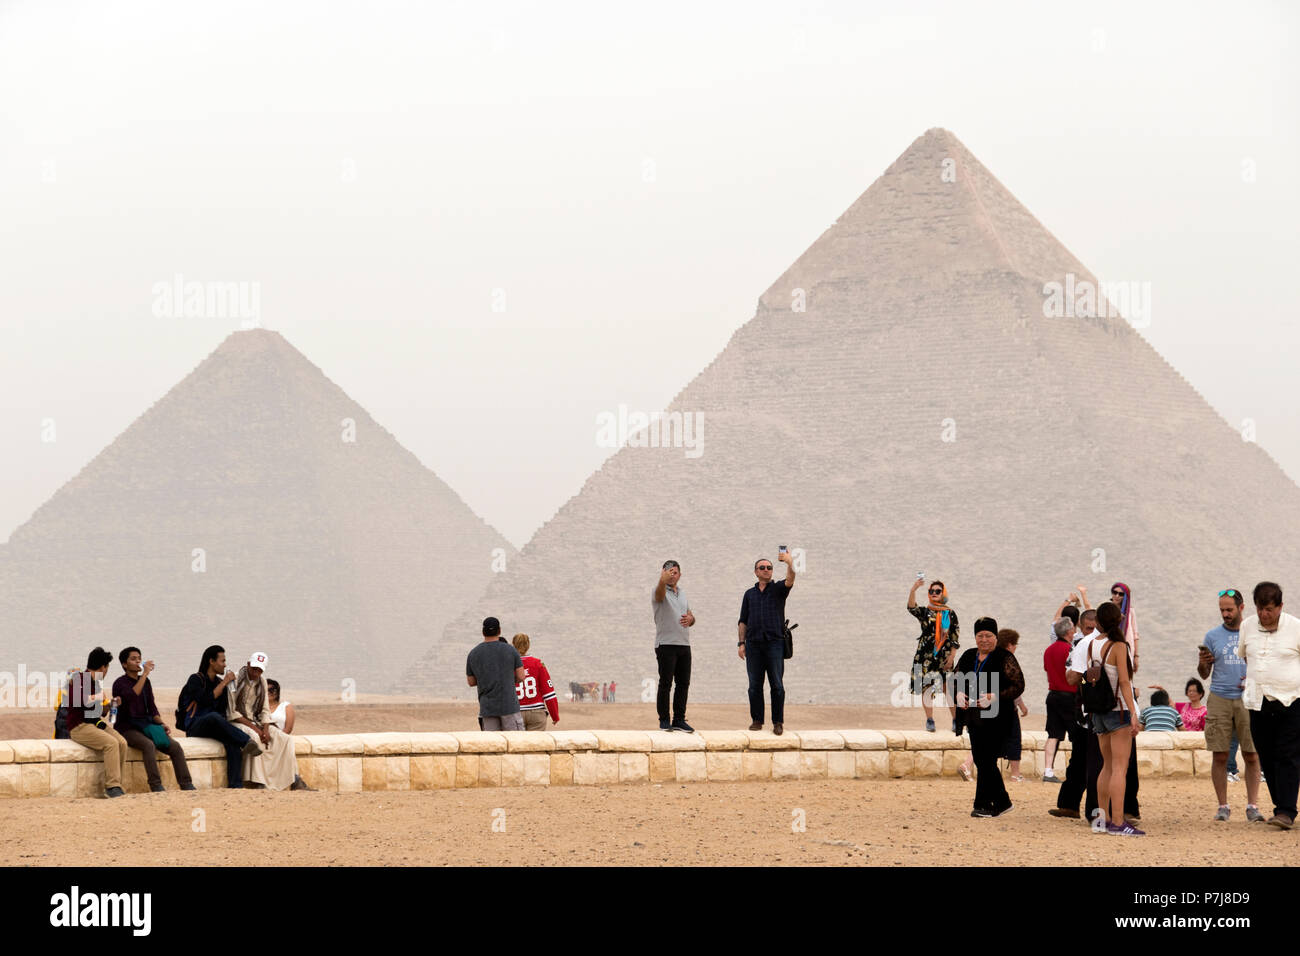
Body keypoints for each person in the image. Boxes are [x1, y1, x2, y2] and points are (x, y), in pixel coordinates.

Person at [1237, 581, 1300, 829]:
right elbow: (1244, 655)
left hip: (1291, 701)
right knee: (1267, 755)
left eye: (1270, 609)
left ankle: (1286, 811)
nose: (1264, 614)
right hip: (1257, 701)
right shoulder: (1247, 626)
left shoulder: (1296, 627)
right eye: (1260, 608)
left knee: (1288, 755)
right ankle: (1280, 807)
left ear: (1280, 606)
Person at [1196, 587, 1262, 821]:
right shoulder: (1212, 636)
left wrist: (1254, 679)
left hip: (1248, 699)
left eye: (1229, 610)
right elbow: (1204, 674)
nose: (1225, 614)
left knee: (1252, 754)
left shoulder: (1254, 632)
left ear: (1241, 608)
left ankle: (1252, 806)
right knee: (1220, 755)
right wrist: (1204, 663)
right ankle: (1223, 806)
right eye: (1222, 610)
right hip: (1220, 698)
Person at [953, 617, 1023, 817]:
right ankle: (1002, 802)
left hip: (998, 718)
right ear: (975, 637)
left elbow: (1018, 685)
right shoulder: (968, 656)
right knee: (983, 759)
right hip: (974, 717)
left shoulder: (1004, 657)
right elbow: (956, 679)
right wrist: (958, 694)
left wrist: (995, 696)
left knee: (986, 760)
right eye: (980, 635)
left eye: (988, 636)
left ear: (995, 637)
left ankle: (983, 805)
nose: (984, 640)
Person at [1089, 601, 1143, 835]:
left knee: (1106, 766)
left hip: (1098, 711)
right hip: (1117, 710)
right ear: (1118, 621)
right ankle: (1119, 822)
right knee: (1120, 768)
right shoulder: (1119, 646)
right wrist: (1133, 712)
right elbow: (1124, 681)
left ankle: (1102, 818)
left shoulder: (1093, 643)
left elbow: (1086, 675)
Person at [113, 647, 194, 792]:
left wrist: (161, 723)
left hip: (147, 725)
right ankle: (156, 785)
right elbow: (132, 697)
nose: (138, 661)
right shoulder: (120, 683)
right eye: (133, 659)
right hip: (128, 727)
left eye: (139, 658)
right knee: (148, 745)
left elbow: (152, 707)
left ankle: (187, 784)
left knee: (175, 747)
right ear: (124, 664)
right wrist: (144, 674)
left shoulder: (146, 682)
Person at [178, 645, 259, 789]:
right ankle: (246, 741)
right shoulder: (196, 679)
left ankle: (236, 785)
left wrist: (226, 685)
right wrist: (225, 682)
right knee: (213, 716)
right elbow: (205, 700)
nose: (225, 664)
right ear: (211, 661)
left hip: (213, 726)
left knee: (232, 743)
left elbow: (223, 712)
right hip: (195, 726)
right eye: (222, 661)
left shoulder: (218, 683)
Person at [229, 652, 307, 791]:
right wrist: (258, 730)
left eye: (259, 670)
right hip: (237, 721)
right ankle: (259, 782)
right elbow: (232, 712)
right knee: (254, 738)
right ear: (248, 664)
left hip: (256, 721)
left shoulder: (262, 681)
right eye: (254, 669)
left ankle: (293, 780)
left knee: (285, 739)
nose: (256, 673)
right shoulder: (233, 680)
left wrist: (265, 728)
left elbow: (265, 709)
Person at [738, 551, 796, 735]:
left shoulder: (778, 589)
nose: (766, 570)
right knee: (754, 685)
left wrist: (789, 563)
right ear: (756, 572)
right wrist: (741, 643)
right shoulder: (749, 594)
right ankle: (757, 720)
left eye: (769, 568)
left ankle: (778, 722)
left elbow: (790, 579)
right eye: (762, 568)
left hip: (774, 643)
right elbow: (743, 620)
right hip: (753, 644)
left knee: (777, 685)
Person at [66, 647, 128, 798]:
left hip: (95, 723)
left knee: (121, 742)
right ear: (102, 667)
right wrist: (99, 696)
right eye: (107, 668)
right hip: (79, 726)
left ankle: (118, 783)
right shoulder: (78, 678)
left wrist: (112, 704)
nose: (106, 672)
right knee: (111, 743)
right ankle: (112, 786)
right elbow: (79, 701)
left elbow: (101, 713)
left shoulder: (96, 683)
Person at [907, 577, 959, 733]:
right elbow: (911, 608)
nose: (934, 593)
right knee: (926, 687)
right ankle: (930, 720)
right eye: (932, 591)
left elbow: (955, 636)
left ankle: (956, 721)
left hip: (944, 655)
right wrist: (913, 589)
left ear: (943, 594)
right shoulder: (925, 612)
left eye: (938, 591)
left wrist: (952, 656)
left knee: (948, 688)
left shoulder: (950, 613)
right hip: (925, 655)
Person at [653, 559, 696, 732]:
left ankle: (679, 719)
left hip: (684, 644)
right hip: (666, 644)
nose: (672, 574)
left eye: (675, 572)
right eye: (668, 571)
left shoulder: (683, 593)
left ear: (680, 574)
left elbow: (690, 615)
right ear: (663, 572)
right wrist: (662, 579)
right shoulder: (659, 590)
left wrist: (691, 619)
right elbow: (658, 595)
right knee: (666, 683)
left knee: (683, 683)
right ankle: (664, 720)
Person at [467, 617, 526, 731]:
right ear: (499, 631)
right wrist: (507, 679)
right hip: (509, 706)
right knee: (515, 744)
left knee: (493, 745)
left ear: (483, 632)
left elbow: (471, 682)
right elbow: (521, 676)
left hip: (487, 709)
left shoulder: (473, 653)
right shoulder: (511, 650)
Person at [1043, 616, 1078, 783]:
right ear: (1069, 632)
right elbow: (1077, 675)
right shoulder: (1071, 650)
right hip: (1069, 696)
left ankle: (1048, 770)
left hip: (1053, 695)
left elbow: (1047, 669)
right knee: (1076, 735)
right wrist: (1088, 681)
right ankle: (1077, 769)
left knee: (1053, 734)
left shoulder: (1048, 650)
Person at [997, 630, 1029, 781]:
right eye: (1015, 644)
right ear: (1009, 645)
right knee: (1014, 737)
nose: (1016, 647)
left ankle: (967, 764)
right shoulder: (1009, 660)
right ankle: (1015, 774)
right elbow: (1014, 686)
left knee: (989, 737)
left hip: (990, 705)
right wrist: (1021, 706)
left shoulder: (991, 657)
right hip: (1006, 706)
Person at [512, 633, 560, 731]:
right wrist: (555, 715)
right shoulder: (537, 664)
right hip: (537, 713)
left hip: (516, 713)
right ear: (528, 645)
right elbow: (549, 693)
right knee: (536, 745)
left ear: (513, 645)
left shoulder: (509, 665)